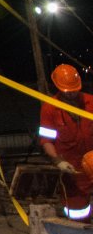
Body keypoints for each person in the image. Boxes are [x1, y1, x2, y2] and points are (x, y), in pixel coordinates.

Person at [38, 64, 93, 225]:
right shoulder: (50, 108)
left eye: (75, 89)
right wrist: (58, 161)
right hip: (74, 171)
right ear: (59, 88)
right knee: (78, 216)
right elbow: (46, 140)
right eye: (68, 91)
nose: (73, 93)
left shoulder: (90, 103)